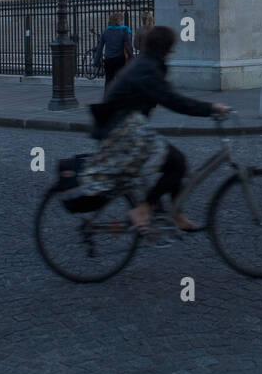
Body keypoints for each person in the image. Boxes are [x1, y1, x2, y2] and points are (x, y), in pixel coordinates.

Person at [71, 24, 228, 232]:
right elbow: (173, 101)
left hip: (124, 126)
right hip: (123, 130)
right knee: (177, 162)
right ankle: (143, 209)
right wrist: (211, 108)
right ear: (166, 48)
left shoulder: (145, 63)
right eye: (172, 47)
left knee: (174, 160)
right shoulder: (148, 68)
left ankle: (176, 214)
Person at [93, 13, 132, 88]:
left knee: (108, 80)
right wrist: (132, 58)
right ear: (120, 20)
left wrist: (96, 62)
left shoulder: (105, 31)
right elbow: (128, 46)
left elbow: (99, 48)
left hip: (108, 59)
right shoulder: (124, 30)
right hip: (120, 59)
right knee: (120, 80)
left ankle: (107, 97)